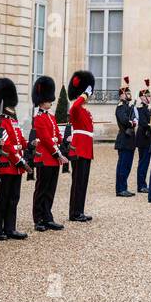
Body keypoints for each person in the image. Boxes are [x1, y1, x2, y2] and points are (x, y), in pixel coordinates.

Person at [0, 78, 29, 240]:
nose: (13, 108)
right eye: (11, 105)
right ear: (5, 106)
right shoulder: (0, 124)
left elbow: (20, 141)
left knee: (14, 197)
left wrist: (27, 145)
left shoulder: (14, 123)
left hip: (16, 165)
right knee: (3, 197)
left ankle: (10, 227)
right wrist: (19, 159)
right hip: (7, 165)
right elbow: (8, 146)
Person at [30, 76, 67, 231]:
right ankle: (38, 218)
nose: (50, 102)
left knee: (51, 189)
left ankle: (48, 216)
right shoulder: (38, 118)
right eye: (48, 100)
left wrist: (58, 142)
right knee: (42, 189)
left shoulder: (51, 117)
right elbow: (45, 138)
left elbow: (57, 135)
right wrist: (58, 153)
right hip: (45, 158)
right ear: (42, 100)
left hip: (53, 159)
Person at [65, 69, 95, 222]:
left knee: (83, 182)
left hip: (86, 149)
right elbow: (74, 107)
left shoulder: (85, 111)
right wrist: (84, 94)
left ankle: (79, 210)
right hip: (79, 149)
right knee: (78, 182)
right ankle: (74, 213)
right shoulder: (76, 108)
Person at [114, 77, 137, 197]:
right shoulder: (120, 107)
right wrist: (132, 122)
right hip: (124, 139)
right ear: (122, 95)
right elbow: (123, 120)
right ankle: (120, 189)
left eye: (129, 93)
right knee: (123, 165)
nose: (129, 95)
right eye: (127, 93)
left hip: (130, 140)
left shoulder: (128, 107)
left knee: (127, 165)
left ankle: (124, 187)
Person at [135, 81, 151, 193]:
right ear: (142, 97)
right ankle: (141, 185)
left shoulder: (148, 109)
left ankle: (144, 183)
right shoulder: (141, 109)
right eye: (147, 96)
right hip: (143, 139)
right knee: (143, 163)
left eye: (150, 96)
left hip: (148, 139)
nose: (149, 98)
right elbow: (143, 123)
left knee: (146, 163)